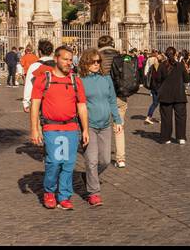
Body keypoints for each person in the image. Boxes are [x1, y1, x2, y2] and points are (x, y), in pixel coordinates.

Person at [29, 46, 88, 210]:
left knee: (68, 164)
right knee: (54, 162)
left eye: (71, 60)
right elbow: (35, 104)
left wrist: (85, 129)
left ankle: (64, 195)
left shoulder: (75, 80)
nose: (69, 63)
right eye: (65, 59)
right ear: (56, 59)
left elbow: (82, 106)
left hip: (71, 127)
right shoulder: (44, 79)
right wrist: (35, 129)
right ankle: (49, 191)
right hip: (50, 127)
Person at [77, 49, 121, 207]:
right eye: (93, 62)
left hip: (105, 125)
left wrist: (117, 120)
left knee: (105, 160)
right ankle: (94, 193)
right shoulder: (80, 80)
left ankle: (89, 176)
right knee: (92, 161)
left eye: (98, 62)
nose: (96, 64)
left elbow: (112, 100)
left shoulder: (106, 78)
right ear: (85, 62)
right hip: (89, 126)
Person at [99, 35, 133, 169]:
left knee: (102, 127)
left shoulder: (97, 57)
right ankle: (121, 159)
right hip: (120, 95)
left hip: (103, 96)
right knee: (119, 128)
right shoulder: (120, 56)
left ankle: (103, 155)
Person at [155, 47, 189, 145]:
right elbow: (186, 79)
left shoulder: (161, 66)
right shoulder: (180, 65)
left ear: (165, 54)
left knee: (166, 117)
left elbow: (158, 79)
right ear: (175, 54)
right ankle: (181, 137)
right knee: (181, 117)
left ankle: (166, 138)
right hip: (179, 94)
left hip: (166, 95)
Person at [22, 40, 56, 114]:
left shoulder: (34, 66)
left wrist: (26, 102)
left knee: (40, 122)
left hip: (40, 100)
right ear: (51, 51)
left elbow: (29, 85)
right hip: (55, 99)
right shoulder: (57, 65)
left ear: (40, 51)